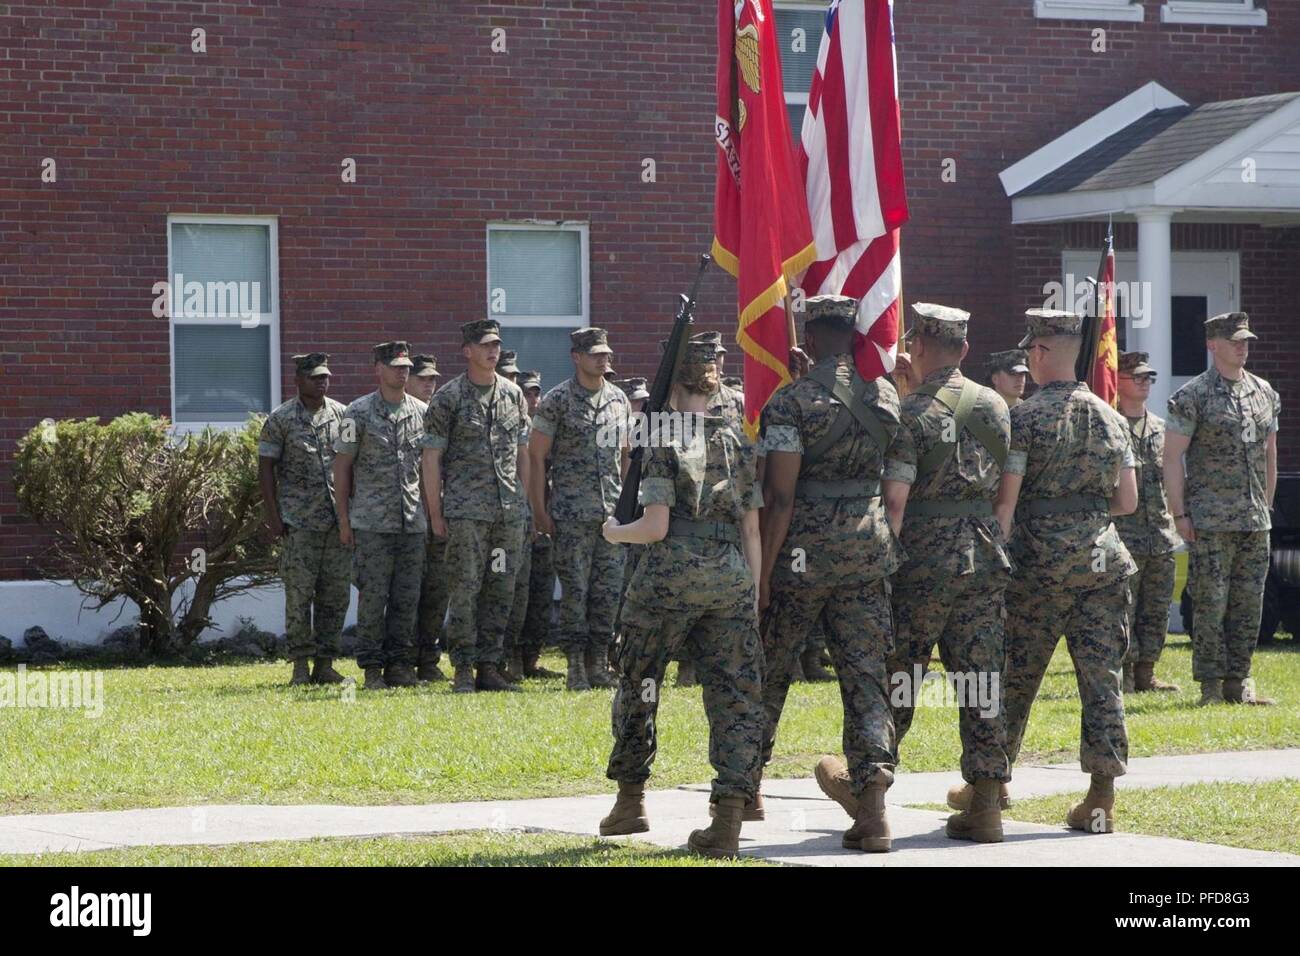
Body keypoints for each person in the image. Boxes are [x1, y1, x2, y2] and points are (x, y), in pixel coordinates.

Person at [598, 337, 764, 858]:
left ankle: (630, 800)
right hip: (731, 578)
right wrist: (752, 593)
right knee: (734, 697)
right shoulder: (737, 438)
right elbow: (752, 529)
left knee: (639, 684)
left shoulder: (661, 436)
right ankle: (729, 818)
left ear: (672, 380)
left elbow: (654, 526)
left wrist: (612, 533)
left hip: (668, 579)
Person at [758, 294, 905, 853]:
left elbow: (779, 495)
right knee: (866, 679)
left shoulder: (790, 402)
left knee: (770, 670)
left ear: (811, 338)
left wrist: (765, 573)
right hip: (867, 552)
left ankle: (742, 791)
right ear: (853, 334)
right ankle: (873, 811)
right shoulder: (886, 394)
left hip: (803, 557)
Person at [868, 302, 1012, 843]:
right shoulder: (996, 406)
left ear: (918, 347)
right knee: (980, 682)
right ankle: (987, 806)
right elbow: (1006, 496)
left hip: (922, 563)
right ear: (967, 350)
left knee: (901, 676)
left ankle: (874, 797)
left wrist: (884, 565)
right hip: (982, 556)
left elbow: (896, 502)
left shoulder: (910, 413)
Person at [995, 309, 1137, 833]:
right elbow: (1127, 500)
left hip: (1037, 566)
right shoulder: (1112, 416)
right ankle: (1101, 798)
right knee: (1102, 680)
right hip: (1102, 564)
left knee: (1015, 678)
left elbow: (1005, 506)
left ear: (1036, 353)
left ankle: (992, 784)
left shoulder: (1022, 419)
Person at [1164, 312, 1281, 706]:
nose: (1243, 346)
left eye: (1246, 340)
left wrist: (1265, 506)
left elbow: (1270, 456)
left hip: (1253, 520)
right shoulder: (1193, 395)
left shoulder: (1264, 392)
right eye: (1234, 340)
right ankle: (1211, 685)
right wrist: (1180, 514)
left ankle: (1240, 680)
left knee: (1249, 603)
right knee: (1211, 603)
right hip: (1210, 520)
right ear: (1212, 344)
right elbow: (1172, 459)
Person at [422, 320, 531, 693]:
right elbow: (431, 458)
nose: (493, 351)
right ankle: (464, 668)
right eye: (485, 345)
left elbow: (522, 453)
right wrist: (435, 512)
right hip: (466, 514)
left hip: (506, 515)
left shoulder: (514, 395)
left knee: (500, 585)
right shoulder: (449, 398)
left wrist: (526, 502)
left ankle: (490, 665)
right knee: (466, 586)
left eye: (497, 345)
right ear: (467, 350)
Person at [528, 327, 630, 691]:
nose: (604, 359)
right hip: (570, 515)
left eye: (606, 354)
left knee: (607, 591)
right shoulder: (557, 401)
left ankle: (598, 663)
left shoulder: (619, 399)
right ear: (576, 357)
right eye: (595, 354)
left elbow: (625, 456)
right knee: (575, 591)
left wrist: (628, 506)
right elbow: (537, 458)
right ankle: (574, 665)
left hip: (611, 515)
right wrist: (540, 510)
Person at [333, 342, 429, 690]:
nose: (402, 371)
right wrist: (344, 520)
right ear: (378, 369)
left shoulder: (422, 412)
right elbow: (342, 467)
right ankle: (372, 667)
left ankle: (400, 665)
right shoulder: (356, 413)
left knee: (407, 596)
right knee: (374, 597)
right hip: (372, 522)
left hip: (412, 520)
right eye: (394, 366)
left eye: (406, 365)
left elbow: (429, 468)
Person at [258, 352, 350, 686]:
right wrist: (273, 517)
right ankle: (299, 664)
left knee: (335, 595)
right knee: (299, 596)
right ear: (298, 380)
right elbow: (266, 469)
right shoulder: (280, 419)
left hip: (337, 523)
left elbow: (353, 464)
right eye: (314, 377)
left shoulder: (343, 415)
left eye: (325, 376)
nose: (322, 382)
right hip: (299, 522)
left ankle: (325, 663)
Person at [1114, 351, 1181, 694]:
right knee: (1124, 608)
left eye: (1148, 377)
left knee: (1156, 610)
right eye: (1137, 377)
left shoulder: (1161, 427)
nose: (1144, 383)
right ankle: (1124, 675)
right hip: (1124, 537)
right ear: (1119, 381)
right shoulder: (1109, 425)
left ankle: (1146, 673)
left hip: (1159, 535)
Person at [404, 354, 449, 682]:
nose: (429, 384)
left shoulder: (442, 414)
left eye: (433, 379)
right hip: (405, 518)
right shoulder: (395, 413)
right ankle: (402, 659)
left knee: (437, 589)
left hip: (440, 518)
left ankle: (429, 659)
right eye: (423, 378)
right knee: (407, 590)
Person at [516, 370, 563, 679]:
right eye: (527, 393)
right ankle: (512, 661)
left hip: (544, 520)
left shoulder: (549, 428)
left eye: (536, 393)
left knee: (542, 594)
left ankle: (531, 659)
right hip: (516, 521)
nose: (533, 399)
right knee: (516, 594)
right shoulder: (512, 427)